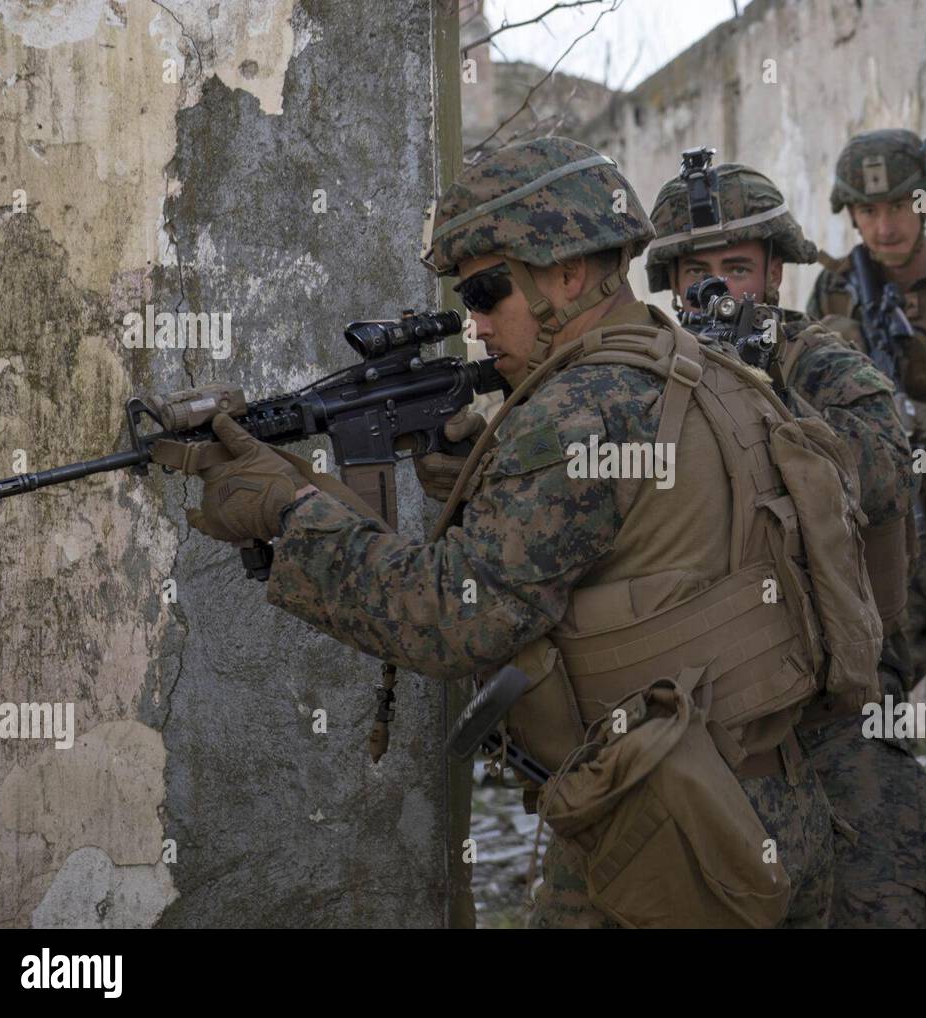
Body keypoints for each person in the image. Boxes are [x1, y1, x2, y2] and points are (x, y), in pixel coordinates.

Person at [181, 137, 880, 929]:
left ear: (567, 272)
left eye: (486, 291)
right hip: (765, 803)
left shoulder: (583, 406)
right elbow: (643, 547)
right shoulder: (699, 366)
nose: (474, 324)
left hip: (674, 830)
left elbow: (452, 620)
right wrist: (473, 479)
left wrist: (288, 513)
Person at [645, 155, 926, 928]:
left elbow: (883, 479)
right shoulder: (645, 378)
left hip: (828, 705)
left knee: (883, 891)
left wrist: (767, 401)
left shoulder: (817, 362)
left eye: (736, 269)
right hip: (694, 703)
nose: (715, 289)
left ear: (776, 275)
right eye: (696, 272)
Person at [808, 128, 926, 917]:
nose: (886, 225)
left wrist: (916, 424)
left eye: (900, 205)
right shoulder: (835, 294)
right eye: (869, 209)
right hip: (877, 540)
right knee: (862, 712)